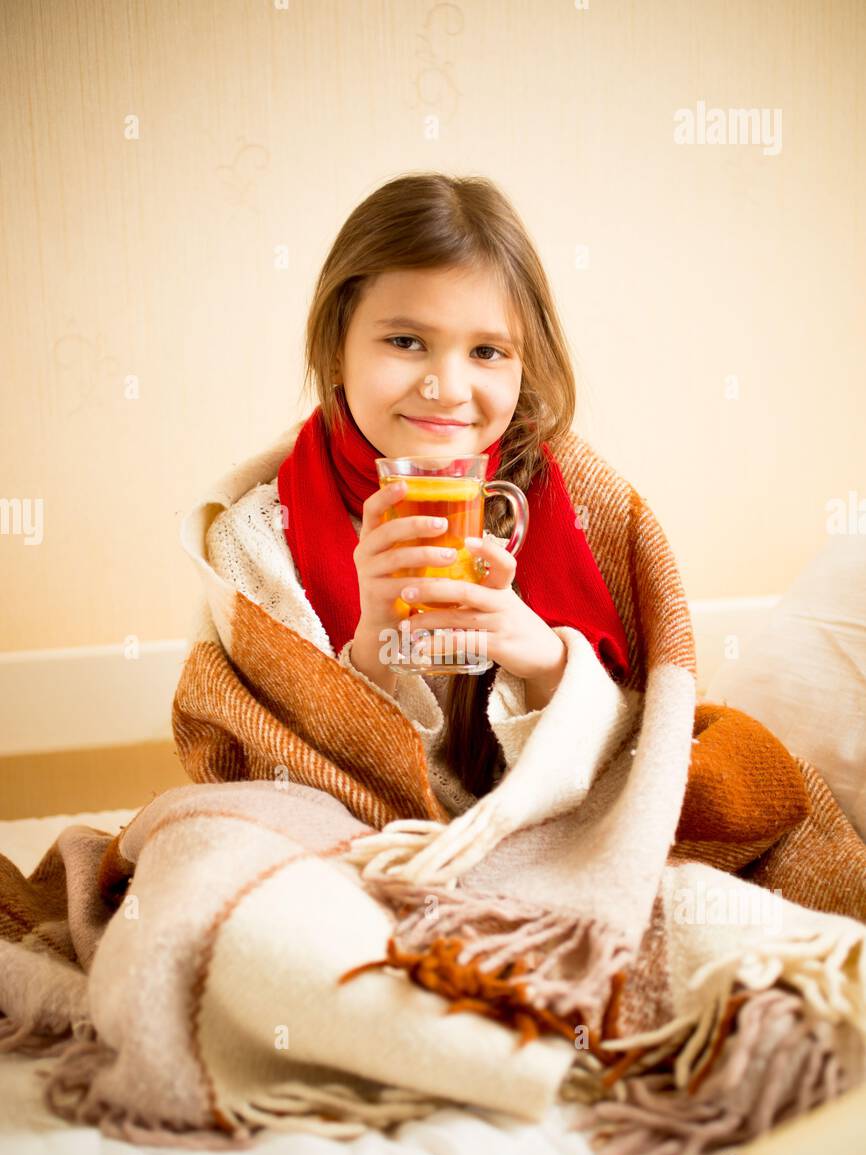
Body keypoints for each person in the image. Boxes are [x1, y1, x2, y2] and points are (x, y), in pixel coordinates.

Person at [206, 172, 630, 817]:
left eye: (487, 351)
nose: (447, 388)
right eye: (406, 342)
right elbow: (266, 773)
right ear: (336, 349)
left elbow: (633, 762)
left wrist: (545, 661)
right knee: (203, 842)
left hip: (523, 835)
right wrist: (371, 653)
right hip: (344, 840)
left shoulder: (572, 505)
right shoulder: (257, 539)